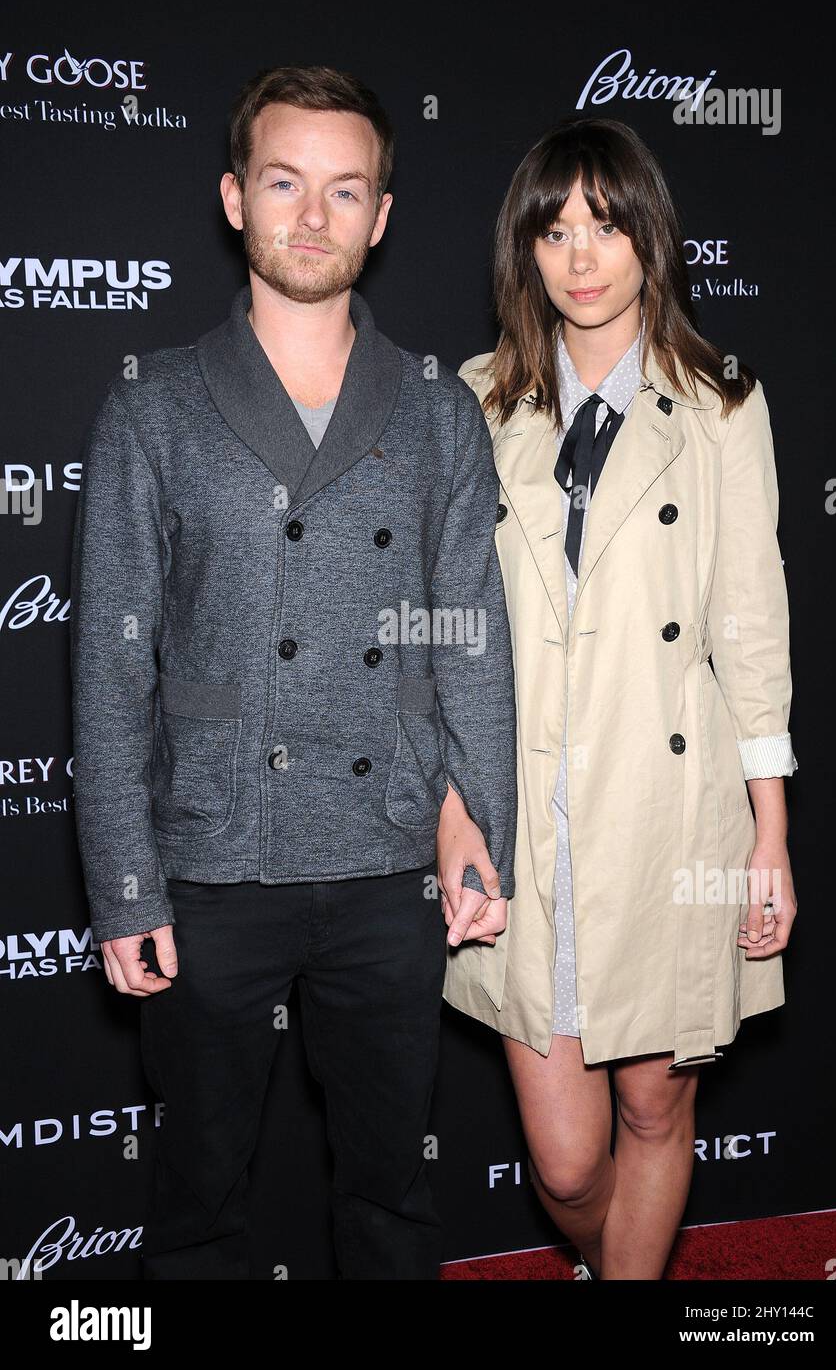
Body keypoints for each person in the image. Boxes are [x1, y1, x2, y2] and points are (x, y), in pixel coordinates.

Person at [69, 64, 517, 1280]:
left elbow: (464, 630)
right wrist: (125, 884)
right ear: (233, 198)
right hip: (213, 862)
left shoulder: (436, 412)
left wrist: (480, 822)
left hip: (387, 869)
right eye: (284, 183)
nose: (311, 216)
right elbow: (115, 667)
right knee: (201, 1207)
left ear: (380, 216)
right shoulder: (152, 406)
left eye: (344, 190)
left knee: (392, 1202)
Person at [443, 116, 798, 1280]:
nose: (581, 254)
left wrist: (770, 834)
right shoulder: (476, 403)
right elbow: (446, 639)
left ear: (649, 233)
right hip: (529, 819)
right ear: (525, 250)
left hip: (667, 815)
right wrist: (455, 812)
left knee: (656, 1113)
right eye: (554, 229)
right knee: (564, 1164)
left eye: (604, 223)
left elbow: (750, 626)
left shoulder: (721, 405)